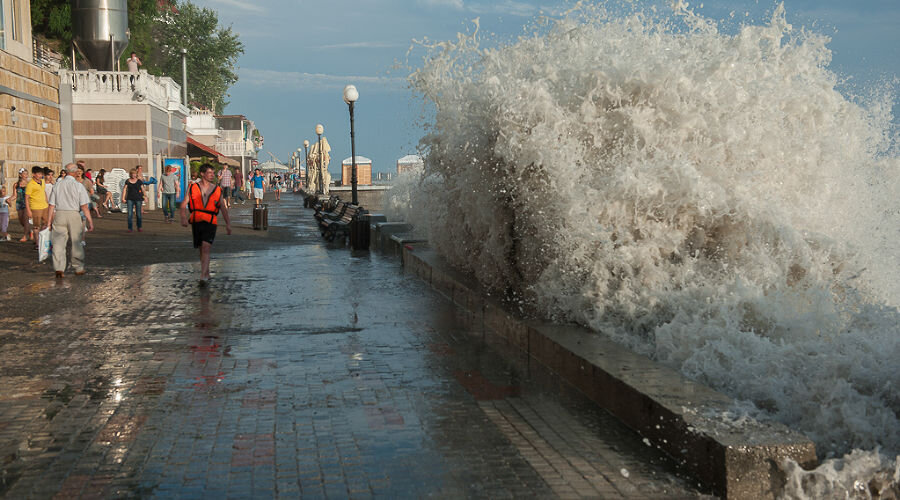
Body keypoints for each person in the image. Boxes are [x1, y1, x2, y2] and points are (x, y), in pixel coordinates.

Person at [180, 163, 232, 286]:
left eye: (213, 173)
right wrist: (183, 218)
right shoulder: (192, 187)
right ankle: (206, 271)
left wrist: (228, 224)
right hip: (196, 220)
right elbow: (183, 204)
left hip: (211, 221)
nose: (212, 175)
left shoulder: (217, 190)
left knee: (206, 247)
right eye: (210, 173)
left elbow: (223, 208)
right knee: (201, 248)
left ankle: (203, 275)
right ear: (202, 174)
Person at [47, 163, 94, 278]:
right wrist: (90, 220)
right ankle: (78, 267)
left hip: (59, 214)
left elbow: (51, 205)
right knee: (76, 241)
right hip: (73, 214)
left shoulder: (57, 185)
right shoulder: (78, 186)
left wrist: (49, 222)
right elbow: (84, 206)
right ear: (74, 172)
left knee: (58, 242)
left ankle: (59, 267)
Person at [24, 166, 49, 247]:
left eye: (41, 173)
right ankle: (37, 243)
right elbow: (26, 198)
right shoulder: (30, 184)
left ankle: (41, 239)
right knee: (36, 226)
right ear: (34, 174)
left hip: (44, 206)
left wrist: (47, 202)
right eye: (38, 173)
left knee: (46, 224)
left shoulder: (42, 181)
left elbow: (44, 191)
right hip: (35, 208)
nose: (40, 175)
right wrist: (28, 210)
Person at [122, 168, 145, 232]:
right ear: (130, 174)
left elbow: (143, 189)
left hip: (138, 199)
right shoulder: (127, 181)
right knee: (129, 214)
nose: (133, 175)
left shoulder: (139, 181)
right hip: (130, 199)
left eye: (134, 174)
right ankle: (130, 228)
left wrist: (145, 196)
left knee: (138, 214)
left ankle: (139, 227)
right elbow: (124, 189)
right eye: (132, 174)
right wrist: (123, 198)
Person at [13, 168, 31, 242]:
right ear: (20, 175)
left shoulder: (29, 184)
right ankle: (30, 231)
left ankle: (25, 236)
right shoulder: (16, 185)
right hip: (19, 203)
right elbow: (14, 195)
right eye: (24, 174)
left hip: (27, 203)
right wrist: (9, 199)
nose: (26, 175)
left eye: (27, 174)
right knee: (21, 221)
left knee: (26, 220)